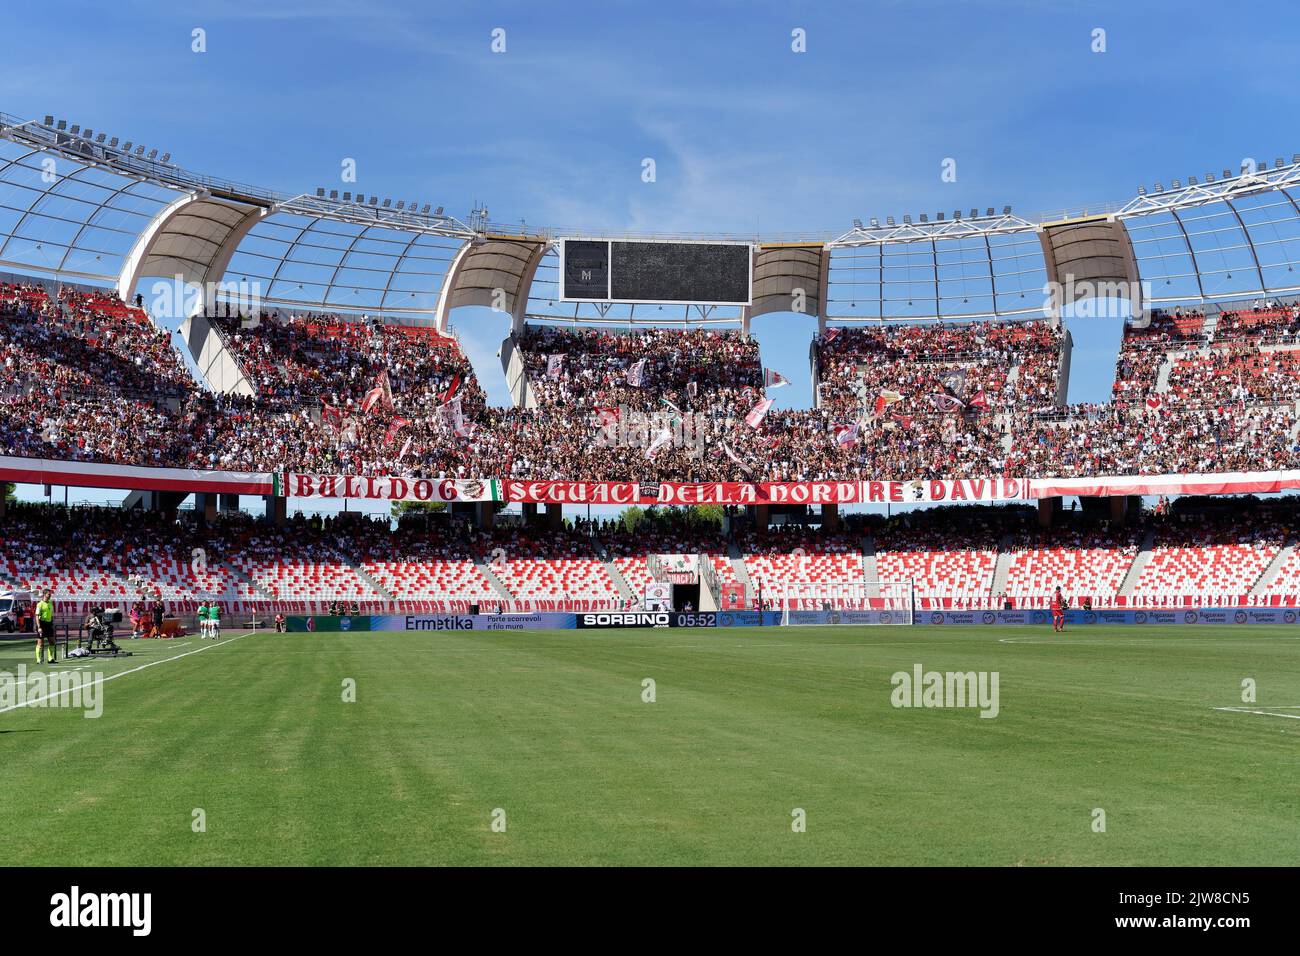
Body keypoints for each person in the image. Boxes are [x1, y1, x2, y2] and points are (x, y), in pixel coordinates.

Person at [34, 589, 55, 664]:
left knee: (52, 642)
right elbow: (37, 616)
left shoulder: (50, 603)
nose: (50, 595)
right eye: (48, 594)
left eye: (50, 594)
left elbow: (51, 614)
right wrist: (39, 627)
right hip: (42, 624)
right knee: (40, 643)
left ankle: (50, 658)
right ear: (44, 594)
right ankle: (38, 660)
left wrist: (52, 622)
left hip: (49, 624)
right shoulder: (40, 604)